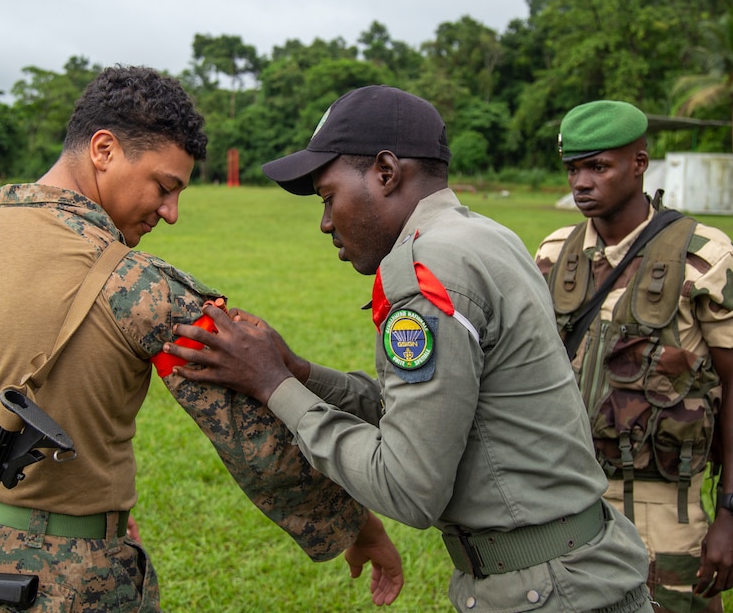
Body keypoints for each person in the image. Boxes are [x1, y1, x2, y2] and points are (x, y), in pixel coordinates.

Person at [0, 66, 402, 612]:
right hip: (73, 582)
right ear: (103, 150)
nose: (171, 212)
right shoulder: (139, 286)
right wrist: (358, 529)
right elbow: (253, 439)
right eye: (165, 187)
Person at [165, 85, 653, 613]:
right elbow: (435, 411)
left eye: (329, 197)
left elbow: (409, 486)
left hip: (553, 592)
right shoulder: (483, 235)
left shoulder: (428, 270)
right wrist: (298, 372)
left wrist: (273, 387)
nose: (326, 222)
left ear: (386, 171)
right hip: (576, 572)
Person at [534, 100, 733, 613]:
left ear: (640, 163)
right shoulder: (553, 254)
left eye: (599, 166)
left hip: (663, 503)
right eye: (574, 168)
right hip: (569, 494)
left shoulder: (704, 255)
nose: (582, 183)